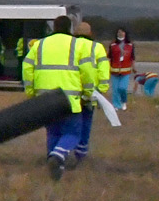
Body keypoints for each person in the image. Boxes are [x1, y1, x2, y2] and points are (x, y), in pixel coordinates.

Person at [21, 15, 89, 181]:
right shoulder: (78, 45)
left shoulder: (39, 45)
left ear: (54, 27)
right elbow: (88, 71)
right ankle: (58, 156)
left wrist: (31, 91)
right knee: (73, 133)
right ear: (70, 28)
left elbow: (27, 67)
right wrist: (87, 93)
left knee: (53, 132)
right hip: (70, 99)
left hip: (45, 99)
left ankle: (55, 167)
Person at [72, 21, 109, 162]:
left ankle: (67, 148)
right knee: (86, 122)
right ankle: (81, 152)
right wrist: (101, 90)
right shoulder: (97, 47)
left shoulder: (70, 45)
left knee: (71, 122)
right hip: (91, 92)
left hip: (72, 91)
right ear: (90, 33)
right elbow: (103, 70)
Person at [107, 27, 136, 110]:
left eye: (122, 32)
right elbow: (109, 57)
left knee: (122, 88)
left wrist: (133, 67)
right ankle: (116, 105)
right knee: (115, 89)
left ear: (125, 33)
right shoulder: (112, 45)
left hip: (126, 71)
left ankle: (123, 101)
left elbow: (132, 57)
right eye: (119, 32)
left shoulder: (130, 45)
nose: (121, 33)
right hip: (114, 70)